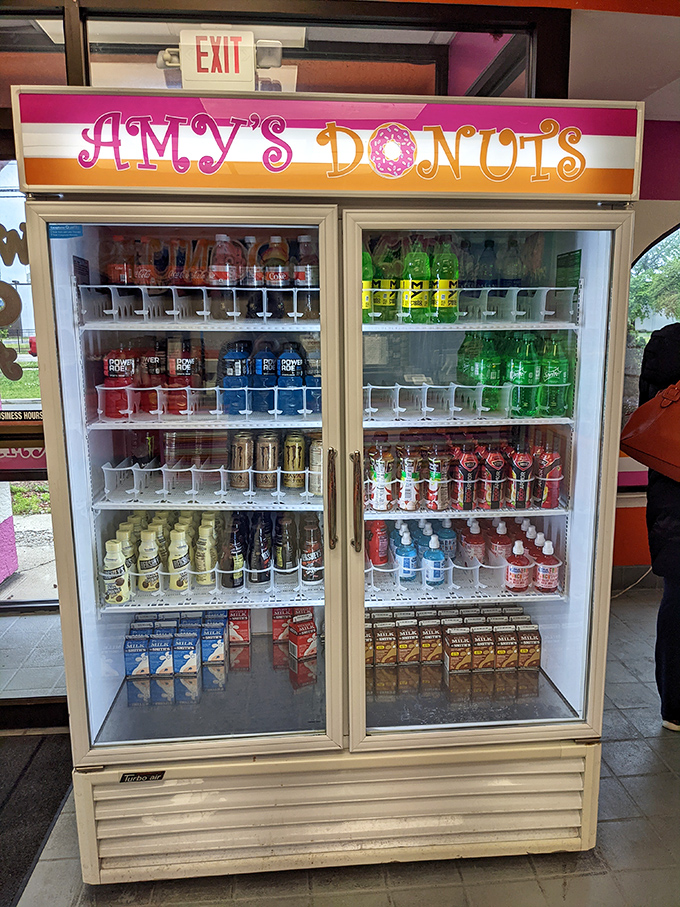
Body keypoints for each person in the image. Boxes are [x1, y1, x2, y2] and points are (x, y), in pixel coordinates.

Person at [639, 322, 680, 731]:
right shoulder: (671, 344)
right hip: (674, 495)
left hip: (670, 492)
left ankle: (674, 706)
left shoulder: (667, 341)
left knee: (677, 598)